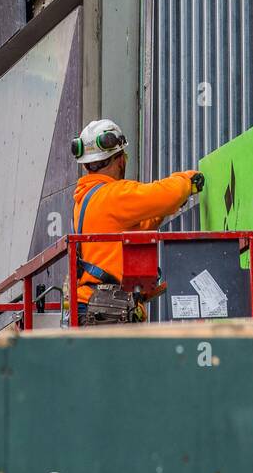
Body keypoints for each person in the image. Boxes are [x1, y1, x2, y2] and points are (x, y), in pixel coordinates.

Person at [70, 119, 203, 325]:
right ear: (121, 159)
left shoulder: (86, 199)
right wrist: (187, 181)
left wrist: (163, 210)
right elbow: (163, 194)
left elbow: (136, 226)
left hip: (94, 306)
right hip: (106, 309)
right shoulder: (113, 195)